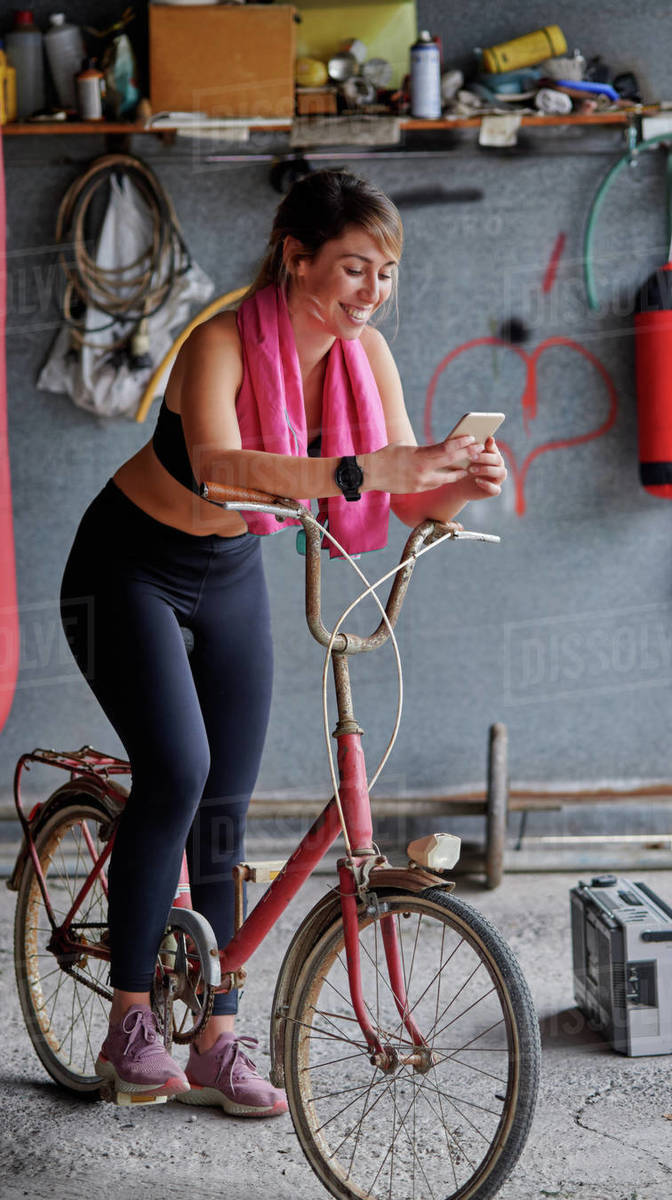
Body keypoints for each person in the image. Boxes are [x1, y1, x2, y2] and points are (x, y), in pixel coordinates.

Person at [59, 169, 507, 1117]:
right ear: (295, 258)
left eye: (384, 273)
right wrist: (364, 467)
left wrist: (459, 481)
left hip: (227, 574)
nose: (370, 292)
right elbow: (222, 466)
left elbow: (398, 490)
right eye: (352, 268)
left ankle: (218, 1035)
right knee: (176, 772)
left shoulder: (366, 354)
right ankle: (130, 1021)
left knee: (227, 797)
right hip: (127, 566)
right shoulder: (217, 341)